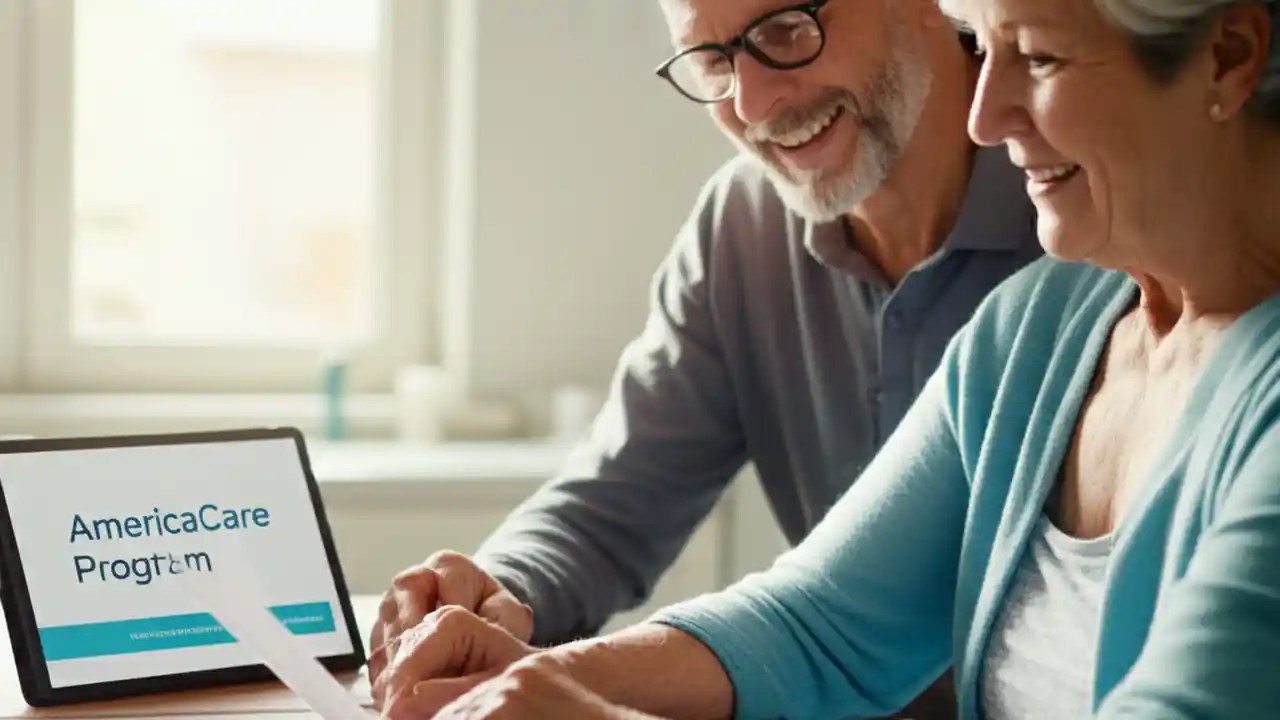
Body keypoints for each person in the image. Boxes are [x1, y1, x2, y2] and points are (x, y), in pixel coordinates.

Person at [375, 0, 1280, 717]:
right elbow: (817, 626)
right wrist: (526, 667)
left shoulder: (1076, 238)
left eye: (1035, 57)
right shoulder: (1044, 321)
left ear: (1230, 57)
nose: (984, 113)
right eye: (717, 61)